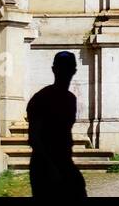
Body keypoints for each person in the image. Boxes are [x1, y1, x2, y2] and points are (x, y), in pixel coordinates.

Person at [27, 51, 87, 197]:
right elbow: (35, 137)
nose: (64, 74)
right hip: (45, 165)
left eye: (67, 69)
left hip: (61, 163)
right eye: (62, 69)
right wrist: (51, 167)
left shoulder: (70, 99)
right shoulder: (41, 98)